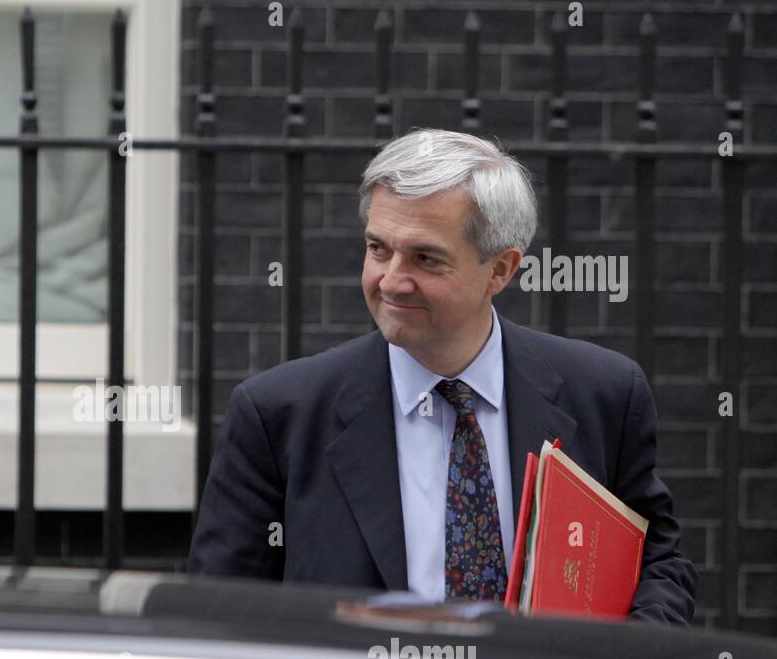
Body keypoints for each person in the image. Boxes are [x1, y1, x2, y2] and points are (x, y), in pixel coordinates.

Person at [188, 129, 697, 626]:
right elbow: (222, 611)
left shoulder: (604, 393)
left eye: (425, 258)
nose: (390, 281)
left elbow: (657, 565)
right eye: (378, 249)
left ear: (501, 269)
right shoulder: (277, 414)